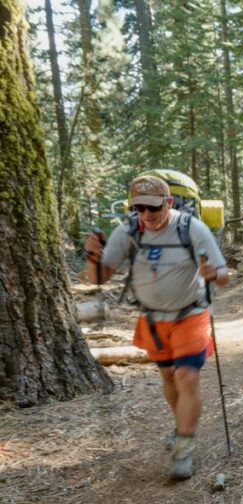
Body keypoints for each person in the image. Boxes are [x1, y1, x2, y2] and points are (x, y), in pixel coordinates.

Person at [85, 175, 229, 480]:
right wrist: (92, 254)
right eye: (139, 208)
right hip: (152, 320)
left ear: (168, 203)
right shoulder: (128, 231)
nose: (147, 215)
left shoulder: (192, 228)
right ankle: (181, 427)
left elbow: (224, 275)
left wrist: (212, 272)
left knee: (186, 375)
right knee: (168, 376)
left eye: (152, 208)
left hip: (191, 314)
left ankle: (184, 449)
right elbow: (98, 278)